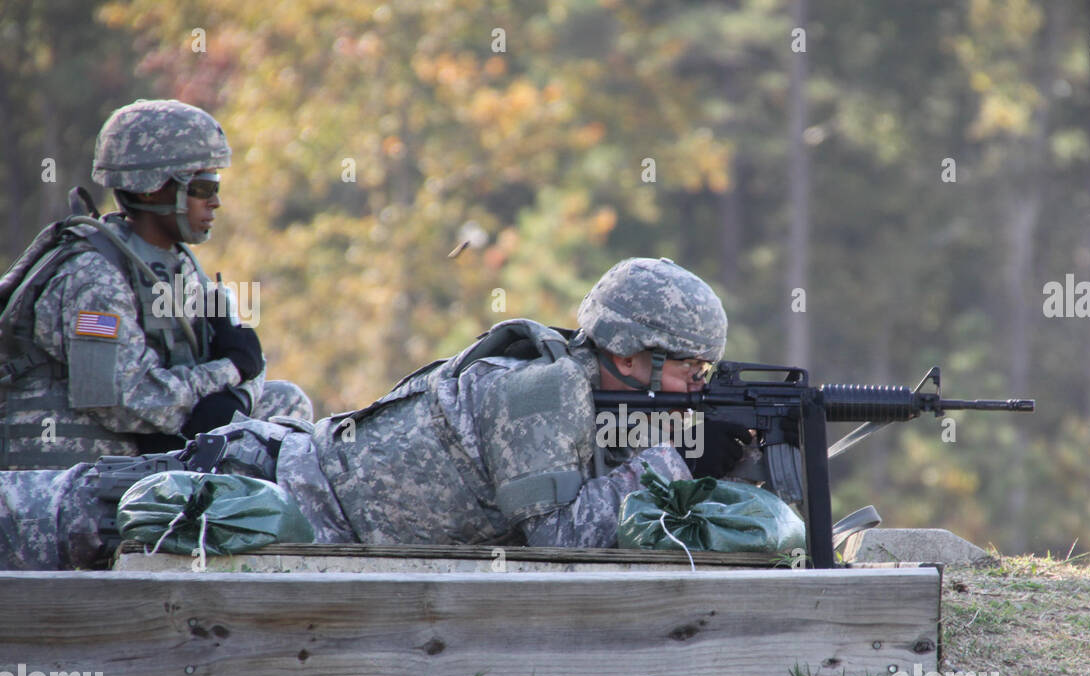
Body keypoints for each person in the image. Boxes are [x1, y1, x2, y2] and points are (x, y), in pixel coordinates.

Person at [0, 257, 751, 569]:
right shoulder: (544, 391)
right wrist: (676, 460)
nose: (695, 384)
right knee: (62, 518)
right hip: (264, 488)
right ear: (632, 351)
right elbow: (563, 544)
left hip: (293, 501)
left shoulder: (599, 393)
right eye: (690, 367)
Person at [0, 98, 312, 471]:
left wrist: (237, 391)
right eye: (202, 187)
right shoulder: (92, 277)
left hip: (139, 454)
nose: (215, 202)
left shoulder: (176, 266)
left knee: (284, 405)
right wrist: (229, 372)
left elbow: (247, 364)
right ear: (150, 190)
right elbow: (126, 403)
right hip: (65, 479)